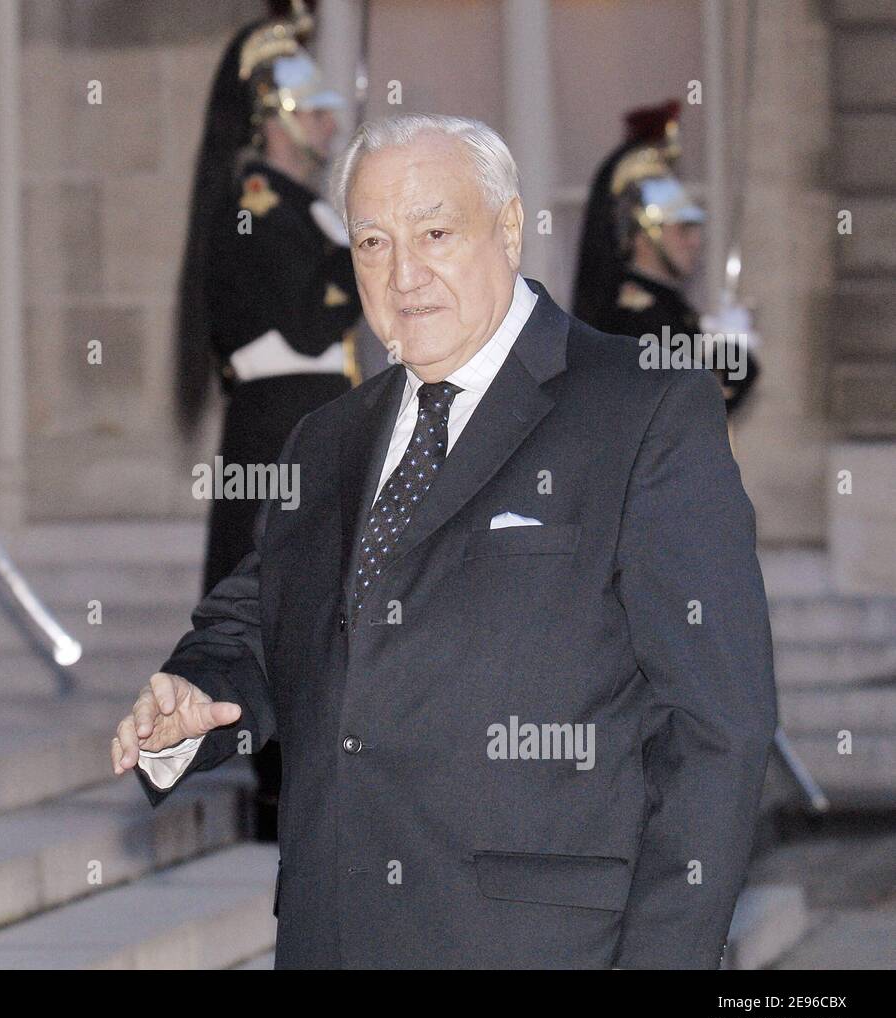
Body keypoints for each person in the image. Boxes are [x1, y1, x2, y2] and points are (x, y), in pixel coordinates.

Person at [113, 114, 777, 969]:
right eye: (372, 242)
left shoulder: (641, 409)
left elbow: (721, 726)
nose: (404, 274)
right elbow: (252, 630)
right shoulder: (325, 440)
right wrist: (193, 704)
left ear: (509, 227)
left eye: (435, 232)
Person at [174, 1, 363, 839]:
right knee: (281, 606)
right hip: (280, 418)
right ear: (276, 118)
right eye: (315, 109)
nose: (330, 122)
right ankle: (279, 788)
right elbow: (309, 315)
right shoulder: (255, 202)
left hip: (318, 409)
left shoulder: (309, 207)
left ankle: (313, 781)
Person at [574, 102, 758, 414]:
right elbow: (692, 400)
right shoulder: (632, 314)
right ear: (647, 231)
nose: (695, 241)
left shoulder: (664, 303)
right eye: (683, 229)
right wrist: (729, 352)